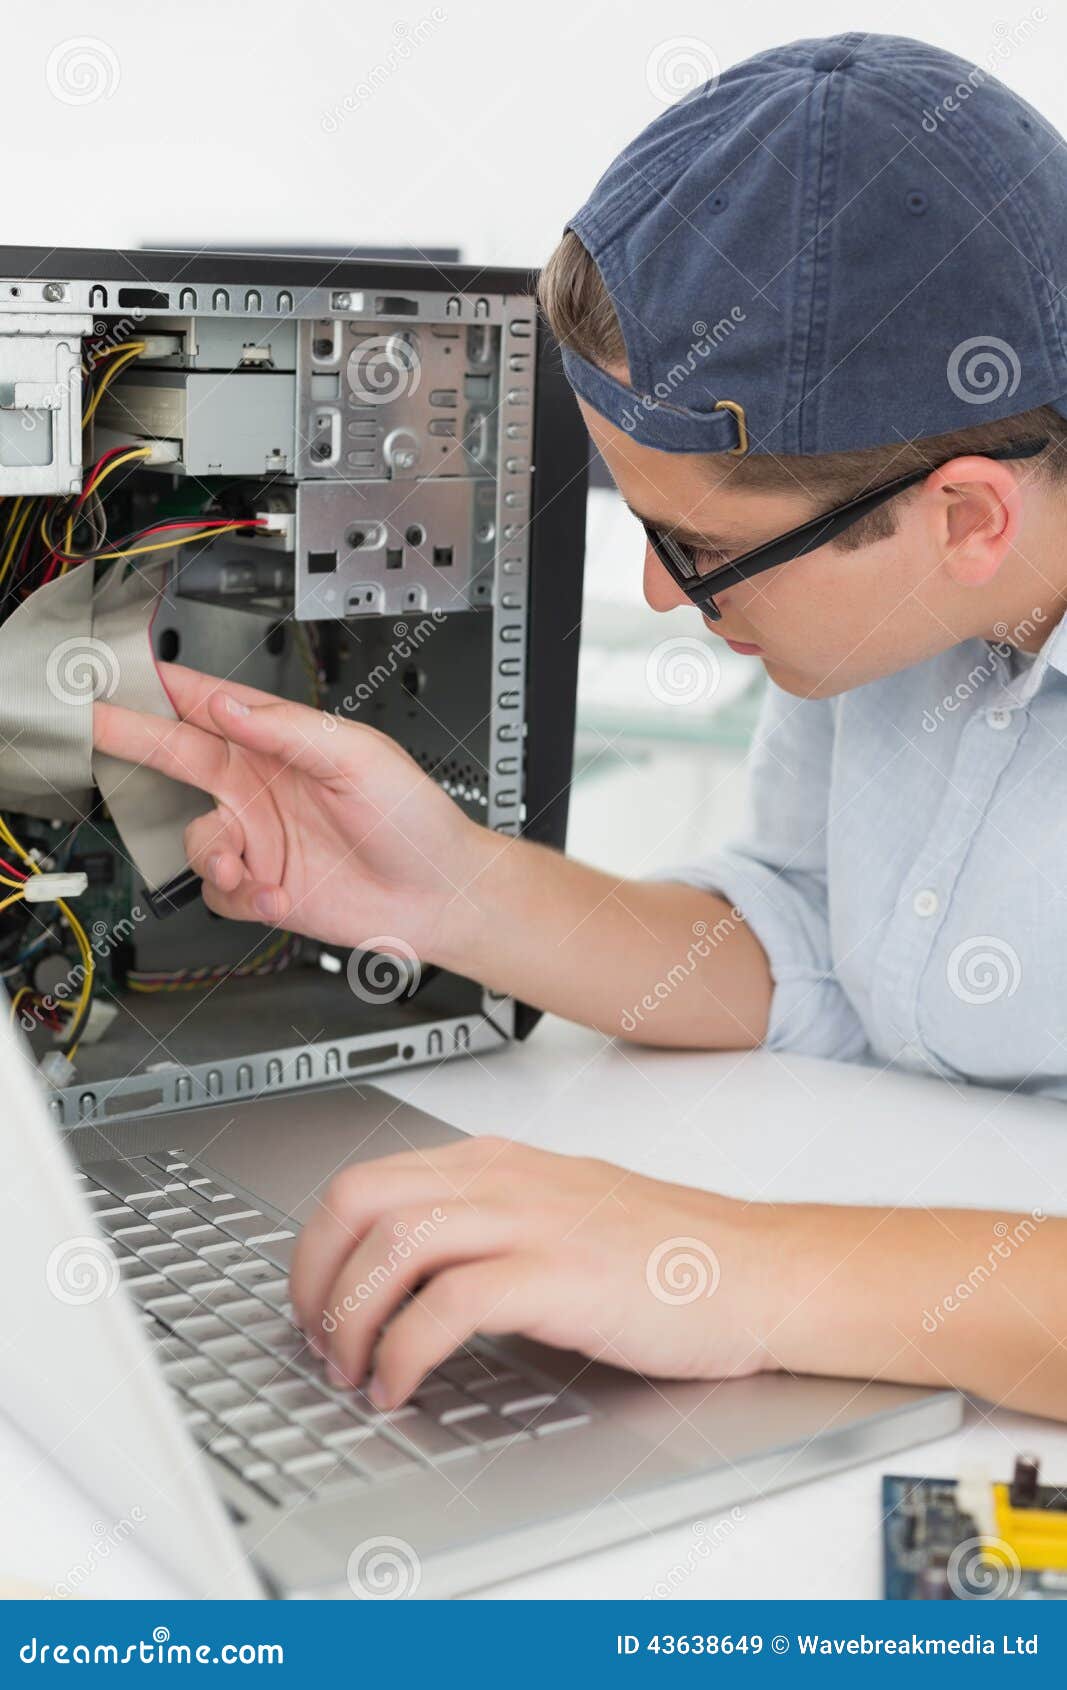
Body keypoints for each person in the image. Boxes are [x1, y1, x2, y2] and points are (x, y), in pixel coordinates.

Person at [94, 34, 1067, 1419]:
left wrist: (731, 1267)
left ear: (968, 516)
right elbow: (818, 954)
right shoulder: (892, 627)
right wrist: (450, 887)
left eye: (703, 545)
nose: (665, 591)